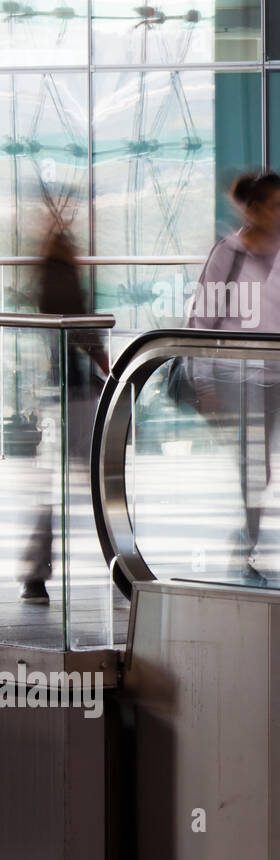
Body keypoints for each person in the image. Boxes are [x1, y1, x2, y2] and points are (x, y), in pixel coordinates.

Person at [185, 170, 280, 583]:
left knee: (262, 466)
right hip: (233, 377)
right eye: (278, 205)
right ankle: (250, 542)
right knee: (253, 463)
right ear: (254, 209)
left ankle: (247, 534)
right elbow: (202, 317)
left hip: (276, 377)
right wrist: (202, 381)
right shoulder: (228, 253)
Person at [17, 218, 109, 603]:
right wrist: (107, 366)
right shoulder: (63, 278)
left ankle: (36, 572)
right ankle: (120, 559)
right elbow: (85, 333)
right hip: (79, 394)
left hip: (56, 394)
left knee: (56, 489)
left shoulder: (42, 278)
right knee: (103, 482)